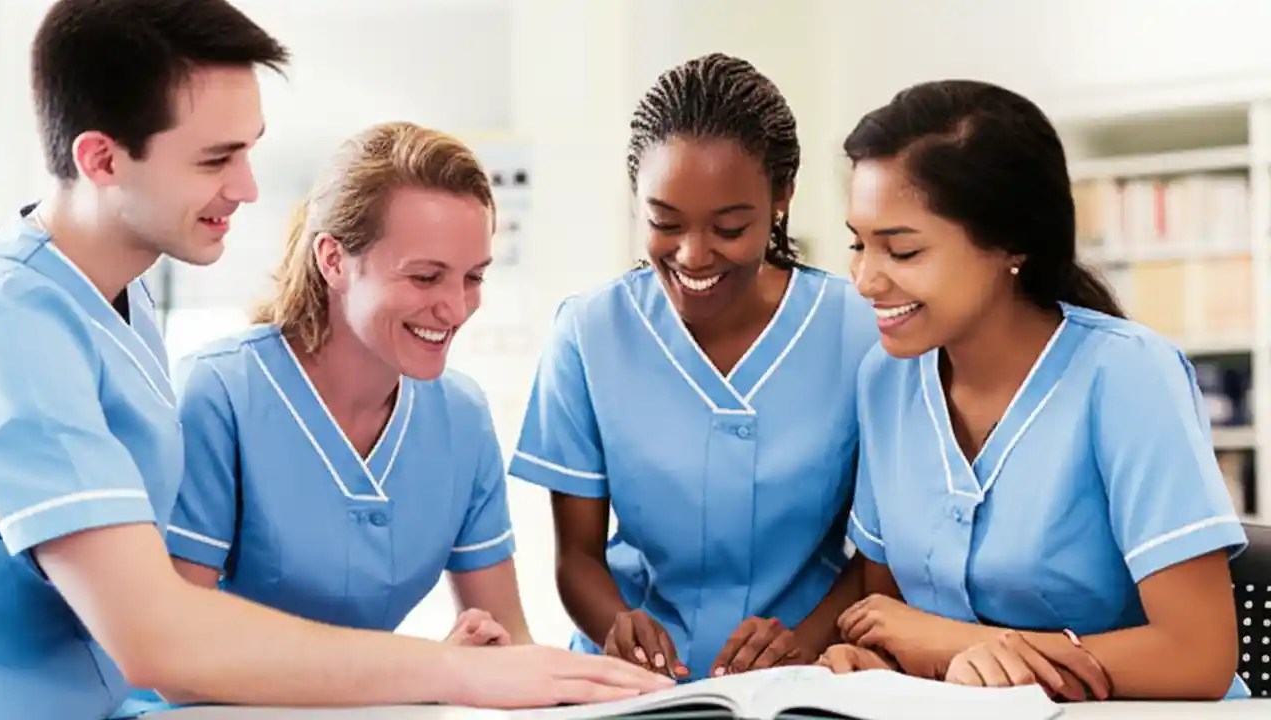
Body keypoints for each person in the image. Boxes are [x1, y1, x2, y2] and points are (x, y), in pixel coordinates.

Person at [0, 2, 670, 718]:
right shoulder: (19, 317)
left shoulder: (120, 303)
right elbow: (160, 642)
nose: (249, 187)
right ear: (101, 159)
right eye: (216, 158)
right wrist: (450, 673)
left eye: (248, 149)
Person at [817, 79, 1248, 701]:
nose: (863, 279)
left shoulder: (1128, 375)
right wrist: (861, 655)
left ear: (1010, 245)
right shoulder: (884, 380)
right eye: (859, 243)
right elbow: (886, 615)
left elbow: (1198, 656)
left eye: (902, 250)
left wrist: (961, 643)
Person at [509, 52, 879, 682]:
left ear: (781, 198)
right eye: (663, 222)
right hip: (638, 685)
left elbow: (880, 552)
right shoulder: (589, 333)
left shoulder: (861, 328)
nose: (692, 254)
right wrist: (614, 627)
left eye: (730, 227)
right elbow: (576, 557)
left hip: (808, 671)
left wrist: (801, 648)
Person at [167, 121, 530, 650]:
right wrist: (422, 674)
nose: (456, 308)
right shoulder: (221, 395)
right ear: (334, 260)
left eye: (473, 277)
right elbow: (183, 649)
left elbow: (510, 636)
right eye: (426, 277)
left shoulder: (461, 416)